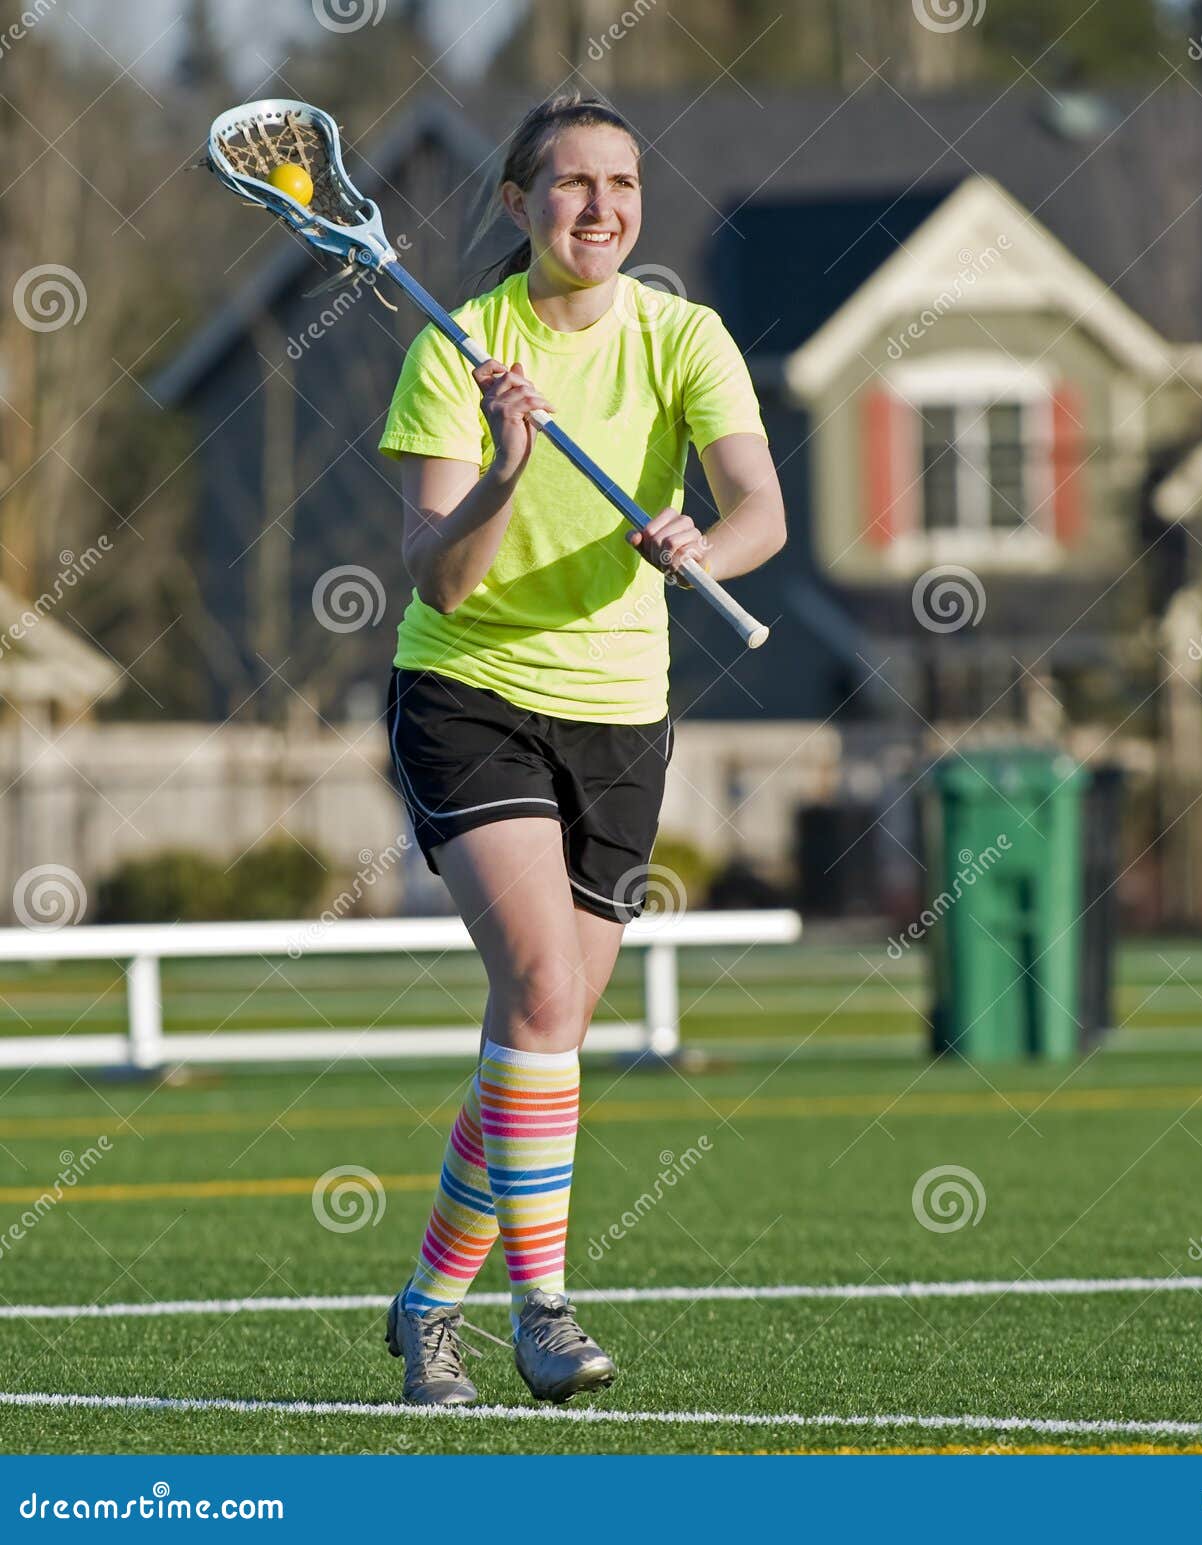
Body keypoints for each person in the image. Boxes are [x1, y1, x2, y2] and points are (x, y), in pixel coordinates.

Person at [378, 90, 785, 1405]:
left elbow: (763, 508)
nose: (600, 207)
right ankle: (541, 1311)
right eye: (570, 184)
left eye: (622, 183)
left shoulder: (685, 336)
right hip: (472, 694)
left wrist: (700, 548)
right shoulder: (460, 347)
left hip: (621, 711)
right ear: (518, 204)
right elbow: (440, 581)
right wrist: (506, 464)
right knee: (548, 990)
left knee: (536, 1028)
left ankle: (426, 1305)